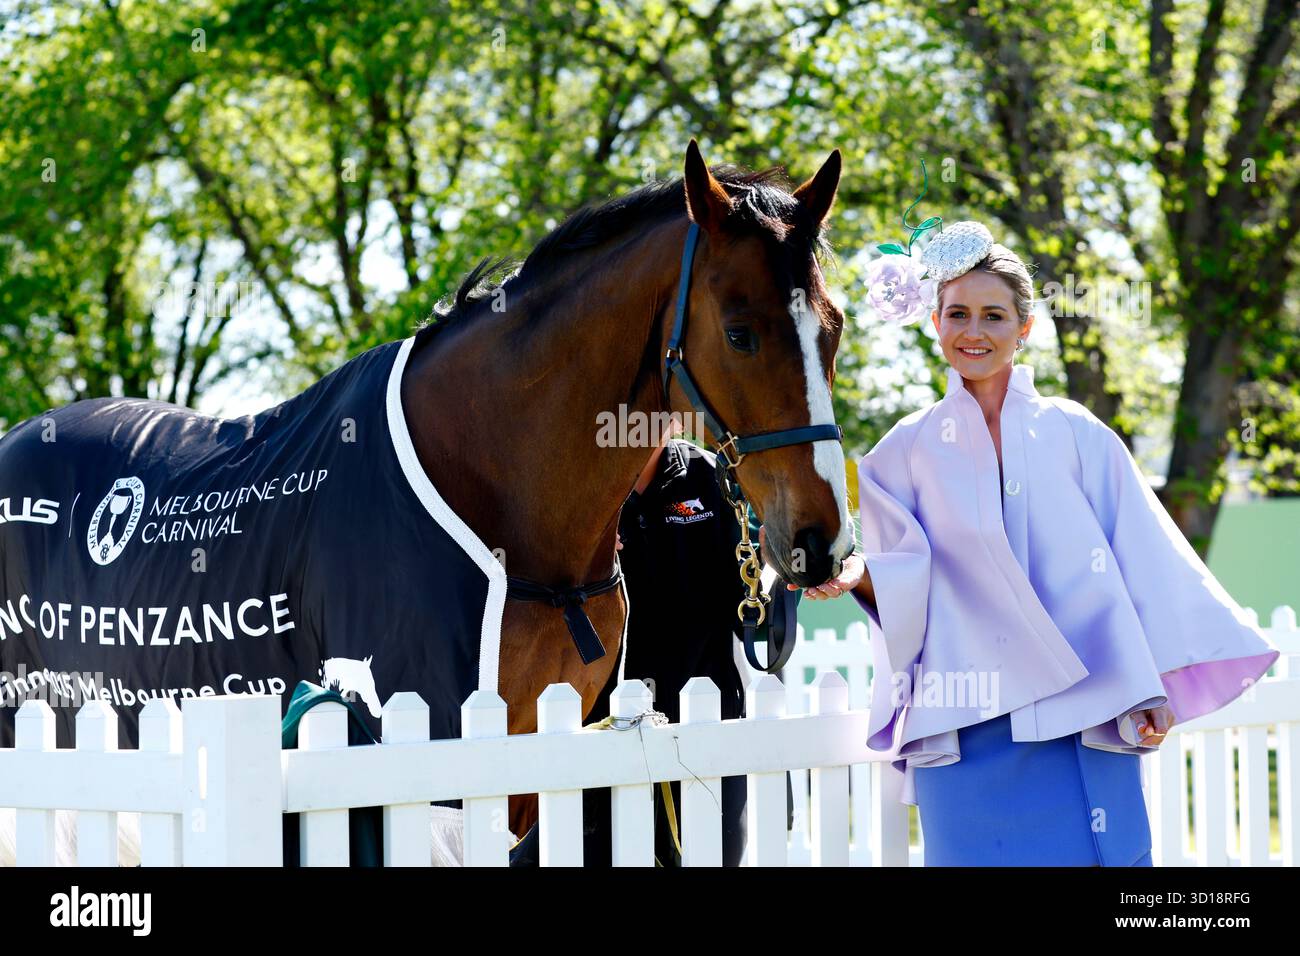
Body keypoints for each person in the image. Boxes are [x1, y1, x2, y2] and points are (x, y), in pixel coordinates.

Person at [801, 218, 1280, 866]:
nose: (974, 332)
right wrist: (858, 573)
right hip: (965, 724)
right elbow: (901, 574)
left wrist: (1150, 684)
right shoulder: (902, 452)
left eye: (994, 316)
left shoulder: (1078, 434)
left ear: (1024, 329)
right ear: (935, 324)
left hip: (1083, 713)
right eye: (958, 314)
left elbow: (1143, 555)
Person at [510, 419, 794, 866]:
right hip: (597, 742)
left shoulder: (715, 477)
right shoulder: (570, 484)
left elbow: (751, 607)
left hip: (705, 737)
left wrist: (777, 565)